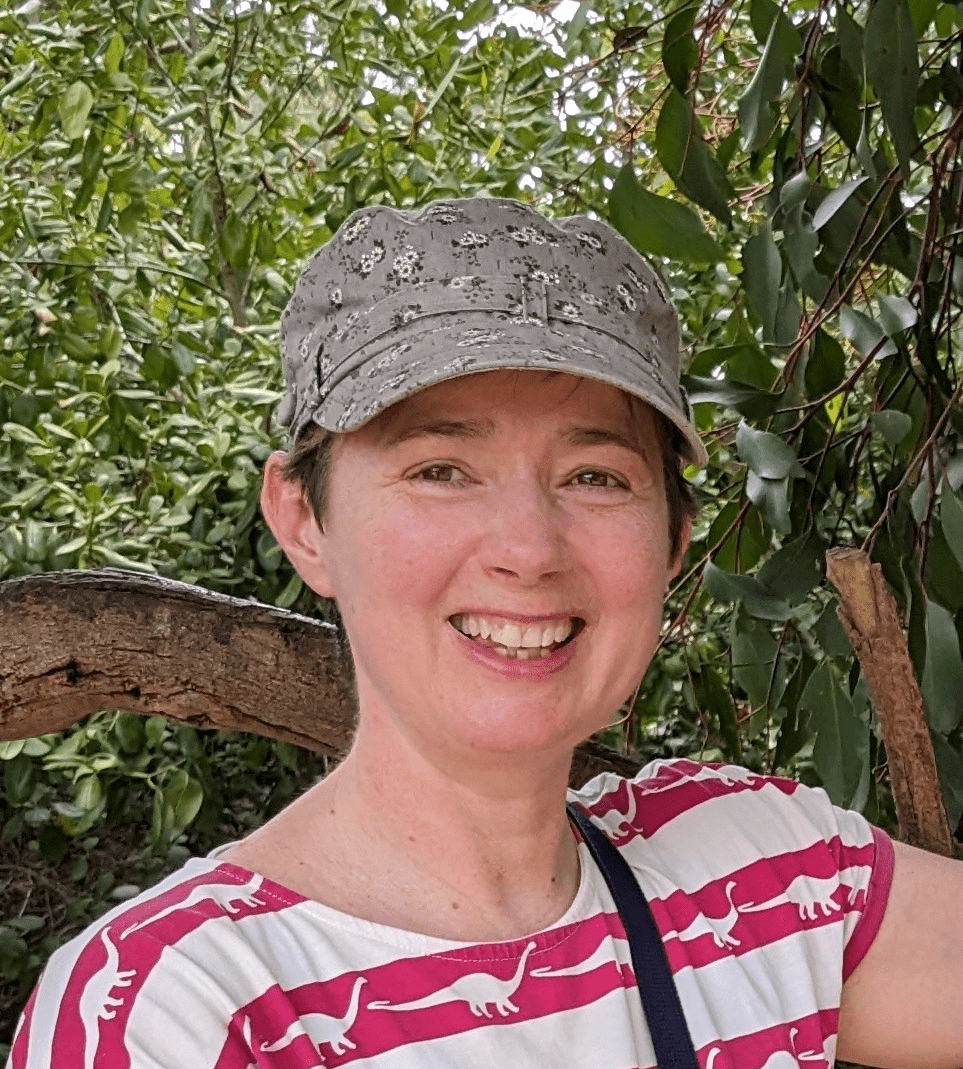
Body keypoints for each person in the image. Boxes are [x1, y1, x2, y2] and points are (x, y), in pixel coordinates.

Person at [8, 198, 963, 1069]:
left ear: (674, 539)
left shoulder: (761, 878)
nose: (527, 548)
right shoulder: (172, 1011)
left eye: (595, 477)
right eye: (440, 469)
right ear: (303, 520)